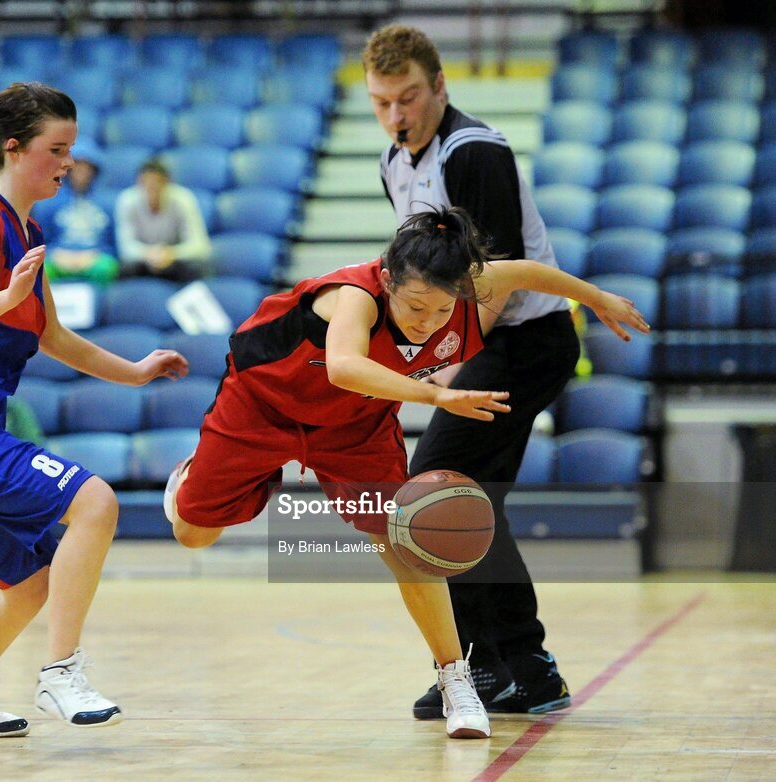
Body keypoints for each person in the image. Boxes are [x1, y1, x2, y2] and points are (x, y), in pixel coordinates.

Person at [164, 206, 649, 739]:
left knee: (406, 539)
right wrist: (436, 395)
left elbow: (530, 272)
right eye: (416, 306)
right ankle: (195, 477)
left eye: (443, 309)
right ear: (389, 280)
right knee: (194, 534)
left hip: (354, 425)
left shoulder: (473, 284)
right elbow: (344, 367)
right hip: (262, 409)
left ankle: (456, 679)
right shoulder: (353, 294)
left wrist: (596, 297)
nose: (428, 321)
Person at [0, 82, 188, 738]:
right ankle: (61, 672)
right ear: (14, 149)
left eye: (70, 150)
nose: (68, 163)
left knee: (29, 581)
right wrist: (6, 297)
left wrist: (135, 371)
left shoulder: (27, 229)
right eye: (56, 150)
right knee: (96, 503)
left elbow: (53, 336)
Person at [363, 24, 593, 718]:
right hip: (488, 344)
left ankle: (498, 664)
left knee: (435, 493)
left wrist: (450, 360)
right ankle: (514, 668)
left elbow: (491, 279)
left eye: (408, 97)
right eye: (381, 102)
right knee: (466, 501)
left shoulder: (474, 151)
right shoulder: (393, 161)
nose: (395, 115)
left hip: (525, 341)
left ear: (439, 86)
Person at [34, 140, 120, 285]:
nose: (81, 173)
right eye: (77, 168)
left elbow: (113, 245)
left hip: (95, 257)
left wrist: (96, 255)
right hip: (59, 256)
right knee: (43, 270)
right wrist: (55, 254)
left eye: (86, 168)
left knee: (106, 268)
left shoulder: (108, 204)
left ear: (94, 171)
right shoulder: (49, 201)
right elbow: (41, 242)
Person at [114, 157, 211, 281]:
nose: (152, 187)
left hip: (174, 260)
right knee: (122, 269)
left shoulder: (184, 199)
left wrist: (170, 253)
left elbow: (200, 246)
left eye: (157, 182)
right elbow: (126, 248)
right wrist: (149, 254)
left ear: (168, 182)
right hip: (143, 261)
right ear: (138, 182)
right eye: (146, 182)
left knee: (198, 267)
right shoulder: (127, 200)